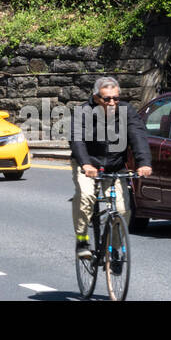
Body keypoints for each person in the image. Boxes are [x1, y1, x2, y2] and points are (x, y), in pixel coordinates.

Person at [70, 76, 153, 259]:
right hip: (88, 163)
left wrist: (144, 163)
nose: (112, 102)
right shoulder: (83, 111)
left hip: (115, 166)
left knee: (123, 210)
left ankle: (113, 249)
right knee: (86, 196)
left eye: (116, 98)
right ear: (96, 97)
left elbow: (138, 136)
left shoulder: (126, 111)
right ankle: (82, 240)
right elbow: (77, 140)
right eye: (107, 99)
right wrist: (85, 164)